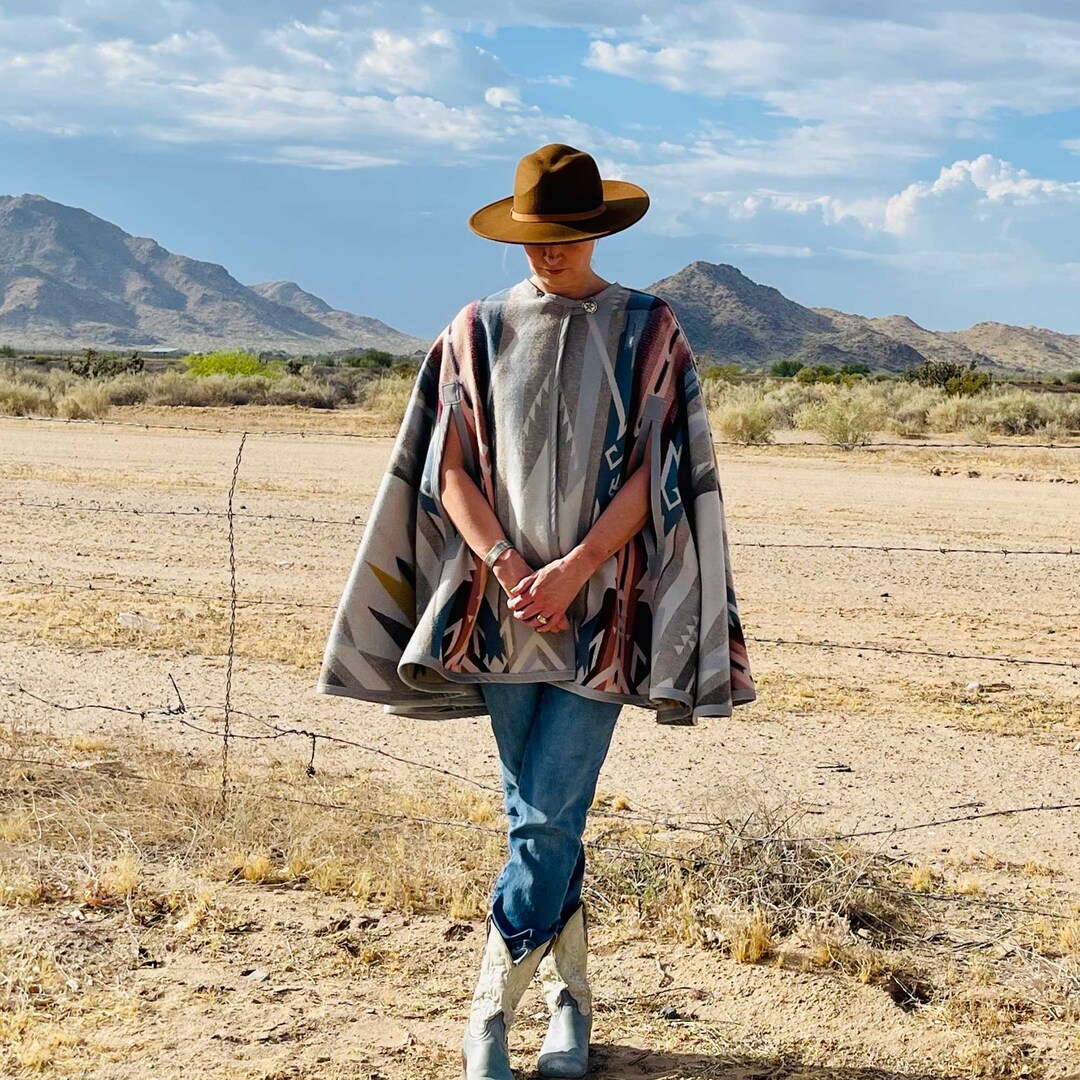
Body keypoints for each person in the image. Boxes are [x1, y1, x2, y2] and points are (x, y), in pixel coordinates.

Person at [316, 143, 756, 1080]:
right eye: (534, 237)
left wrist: (577, 568)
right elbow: (449, 470)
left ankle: (487, 1020)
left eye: (563, 237)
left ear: (597, 229)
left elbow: (662, 469)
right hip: (501, 608)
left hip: (602, 615)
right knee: (542, 819)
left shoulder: (651, 330)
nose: (547, 254)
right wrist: (514, 567)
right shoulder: (475, 330)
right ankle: (569, 1010)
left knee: (545, 817)